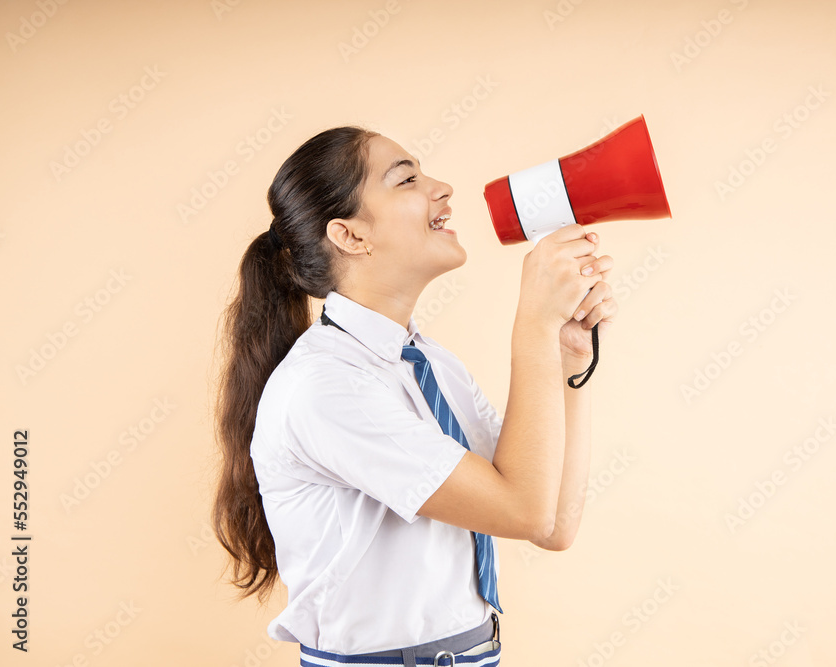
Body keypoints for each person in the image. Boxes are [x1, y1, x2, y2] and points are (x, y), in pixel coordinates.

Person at [212, 125, 616, 666]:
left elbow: (553, 523)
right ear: (350, 235)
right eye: (406, 179)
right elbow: (523, 511)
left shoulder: (429, 364)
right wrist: (533, 326)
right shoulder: (326, 386)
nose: (442, 187)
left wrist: (567, 362)